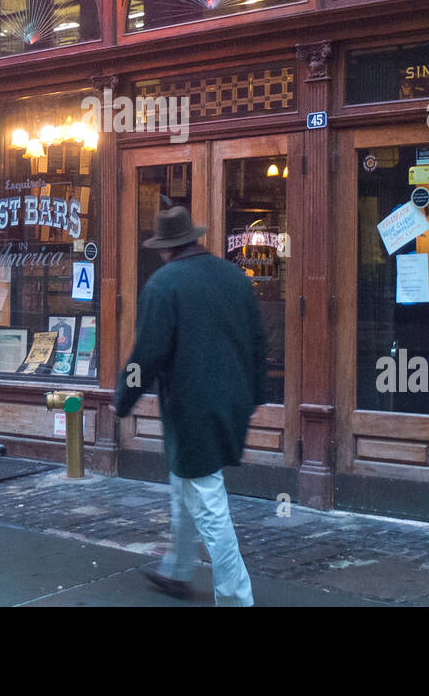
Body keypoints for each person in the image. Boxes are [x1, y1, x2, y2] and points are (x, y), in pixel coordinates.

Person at [114, 205, 267, 607]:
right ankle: (178, 571)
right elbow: (258, 341)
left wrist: (123, 398)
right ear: (193, 239)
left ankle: (236, 597)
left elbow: (145, 355)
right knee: (185, 485)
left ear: (165, 248)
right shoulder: (234, 276)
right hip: (232, 400)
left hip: (191, 408)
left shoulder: (164, 285)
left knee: (207, 499)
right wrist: (255, 395)